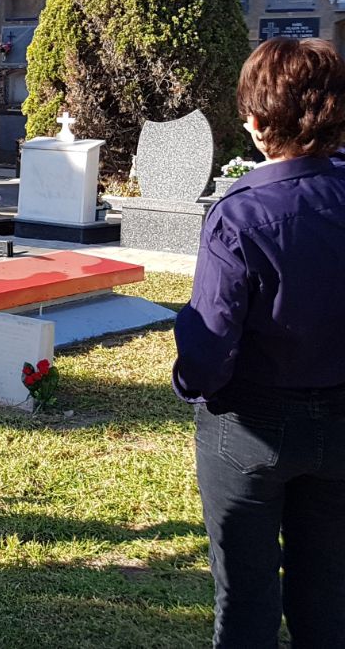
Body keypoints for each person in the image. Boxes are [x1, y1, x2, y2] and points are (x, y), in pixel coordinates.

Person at [174, 37, 345, 649]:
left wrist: (192, 378)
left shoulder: (241, 214)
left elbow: (209, 346)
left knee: (245, 597)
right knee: (328, 593)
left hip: (251, 424)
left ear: (254, 119)